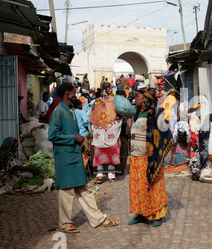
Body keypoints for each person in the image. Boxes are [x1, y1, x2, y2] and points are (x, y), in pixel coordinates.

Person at [48, 82, 118, 233]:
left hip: (75, 155)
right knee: (66, 191)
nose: (75, 94)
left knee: (84, 188)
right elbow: (52, 135)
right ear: (67, 93)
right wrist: (74, 137)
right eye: (74, 92)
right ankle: (65, 223)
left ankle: (97, 219)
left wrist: (80, 143)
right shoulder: (58, 112)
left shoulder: (71, 111)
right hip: (65, 158)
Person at [128, 87, 174, 227]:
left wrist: (159, 157)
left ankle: (157, 215)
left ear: (146, 99)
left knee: (153, 185)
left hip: (150, 159)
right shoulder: (138, 114)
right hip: (136, 157)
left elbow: (166, 136)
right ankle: (142, 213)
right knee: (139, 187)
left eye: (138, 97)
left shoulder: (157, 114)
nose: (136, 99)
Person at [89, 92, 122, 183]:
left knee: (100, 156)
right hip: (112, 139)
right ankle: (111, 176)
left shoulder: (97, 110)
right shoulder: (113, 113)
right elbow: (118, 122)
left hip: (99, 139)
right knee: (111, 156)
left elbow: (93, 124)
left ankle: (99, 176)